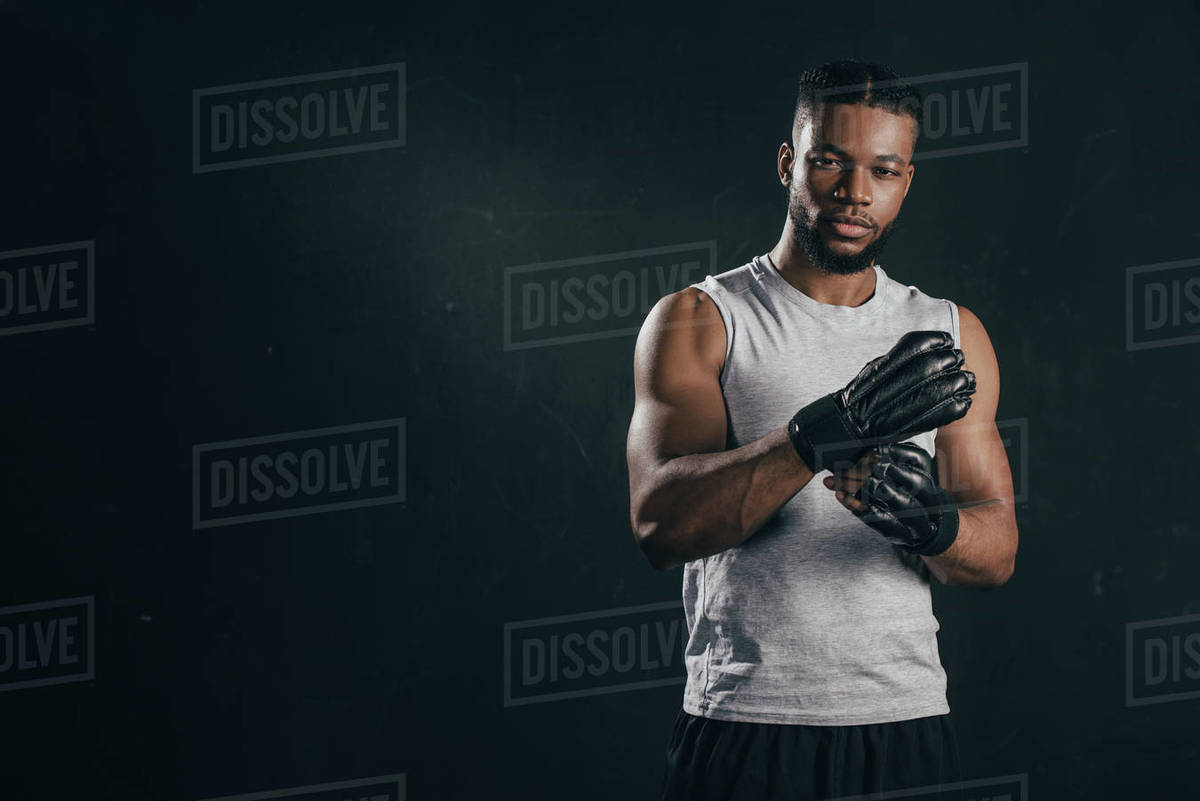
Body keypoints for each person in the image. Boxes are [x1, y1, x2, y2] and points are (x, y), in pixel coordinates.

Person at [625, 59, 1019, 800]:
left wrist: (932, 525)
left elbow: (997, 547)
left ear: (908, 179)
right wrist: (821, 436)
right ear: (788, 162)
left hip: (903, 720)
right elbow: (660, 523)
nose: (855, 193)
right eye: (830, 161)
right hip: (746, 722)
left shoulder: (948, 333)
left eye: (884, 169)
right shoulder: (703, 320)